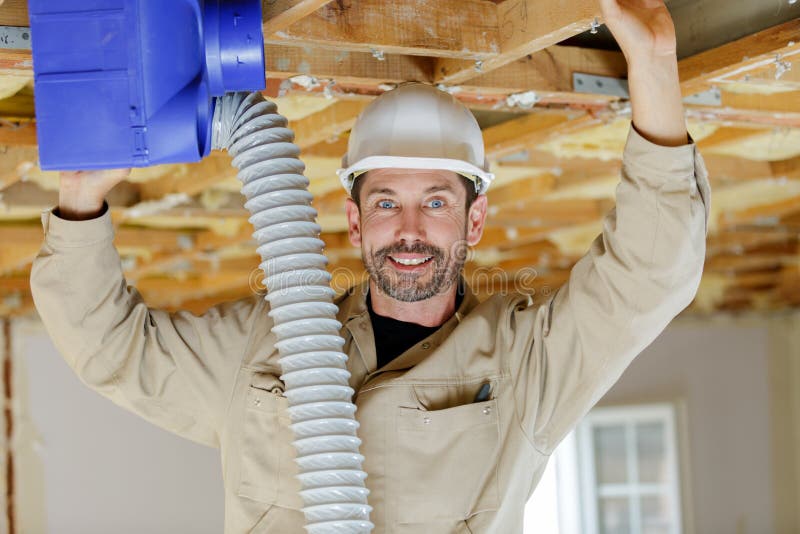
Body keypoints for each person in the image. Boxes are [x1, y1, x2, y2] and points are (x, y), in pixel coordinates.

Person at [30, 0, 710, 532]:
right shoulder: (265, 348)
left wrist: (653, 61)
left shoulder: (525, 368)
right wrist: (82, 198)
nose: (409, 230)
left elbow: (647, 276)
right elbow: (110, 348)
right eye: (386, 201)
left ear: (474, 220)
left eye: (436, 200)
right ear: (355, 220)